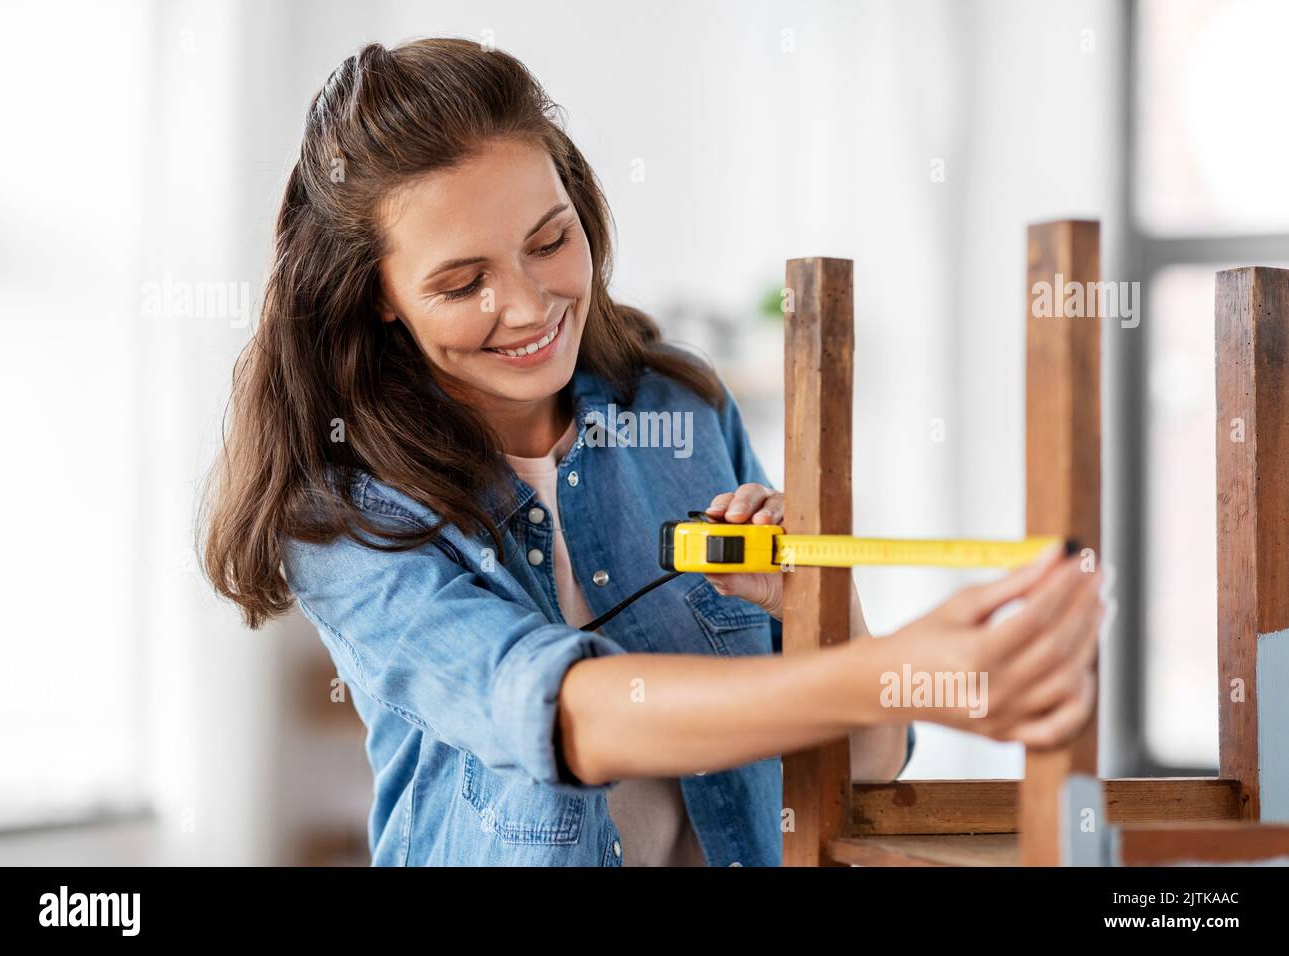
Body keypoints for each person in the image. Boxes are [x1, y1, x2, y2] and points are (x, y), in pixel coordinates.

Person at [199, 37, 1103, 866]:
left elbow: (860, 770)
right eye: (463, 282)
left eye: (550, 241)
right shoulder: (345, 518)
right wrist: (884, 670)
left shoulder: (681, 407)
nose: (530, 304)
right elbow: (565, 716)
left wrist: (835, 619)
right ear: (380, 295)